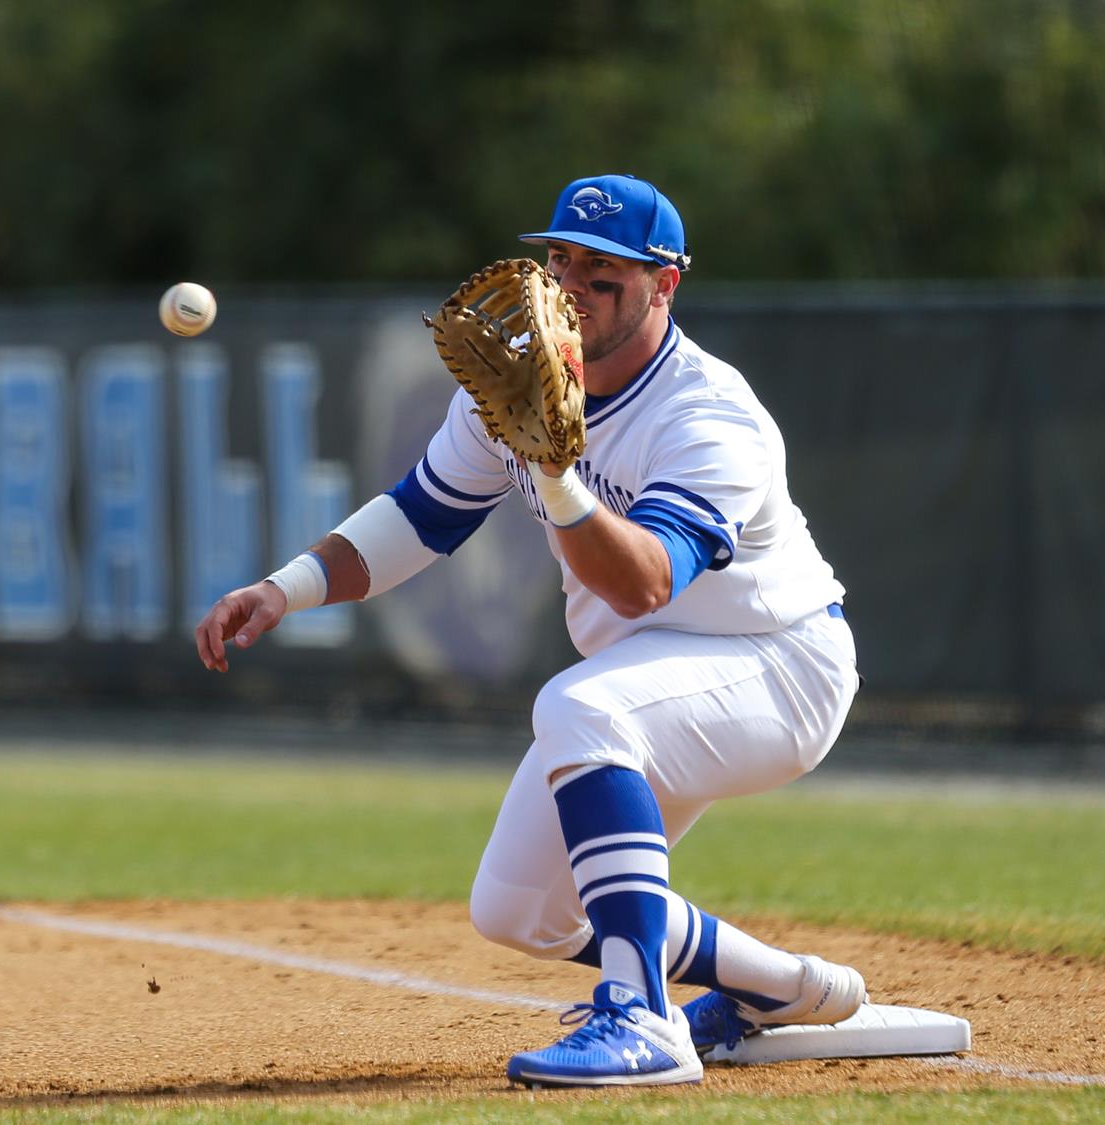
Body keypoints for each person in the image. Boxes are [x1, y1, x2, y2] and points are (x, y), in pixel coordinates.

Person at [194, 173, 867, 1088]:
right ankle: (781, 990)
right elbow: (424, 514)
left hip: (779, 662)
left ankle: (642, 1017)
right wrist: (287, 587)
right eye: (561, 260)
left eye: (605, 272)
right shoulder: (513, 384)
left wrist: (556, 473)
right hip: (654, 670)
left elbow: (644, 582)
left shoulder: (709, 412)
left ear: (665, 284)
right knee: (518, 909)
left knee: (578, 709)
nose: (574, 285)